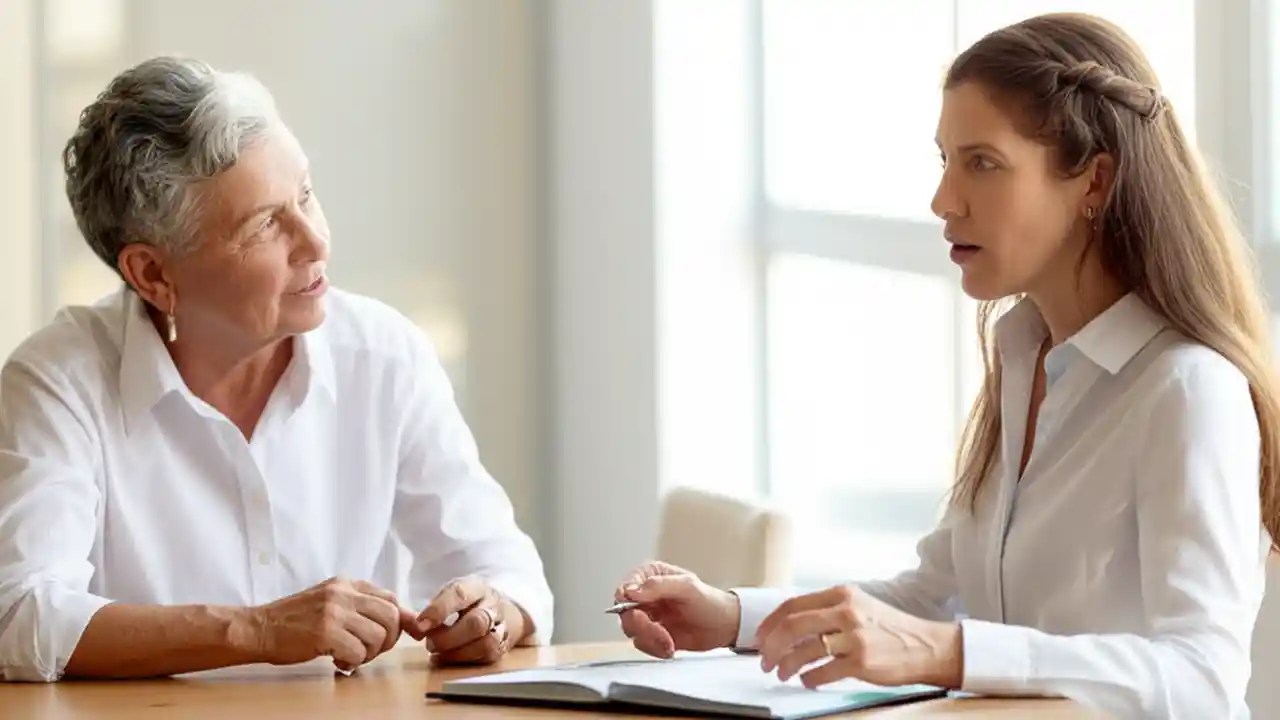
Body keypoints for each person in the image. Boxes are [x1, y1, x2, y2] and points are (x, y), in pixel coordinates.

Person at [614, 13, 1277, 719]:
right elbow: (933, 595)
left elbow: (1203, 678)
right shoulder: (1026, 360)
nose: (943, 201)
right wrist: (731, 616)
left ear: (1095, 181)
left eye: (983, 163)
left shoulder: (1187, 389)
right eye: (945, 160)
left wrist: (951, 653)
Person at [0, 57, 552, 682]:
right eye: (265, 225)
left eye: (307, 195)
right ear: (153, 275)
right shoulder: (59, 381)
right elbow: (19, 617)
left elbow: (511, 573)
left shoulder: (384, 354)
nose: (315, 241)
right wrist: (254, 630)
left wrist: (494, 616)